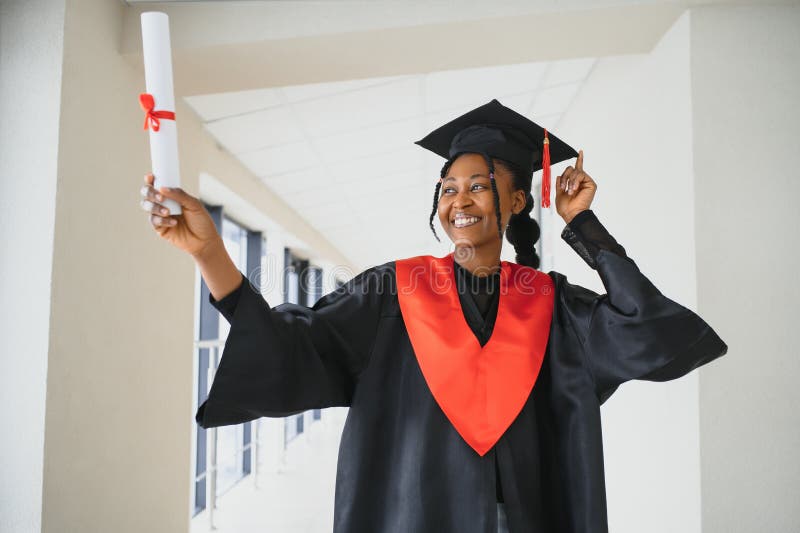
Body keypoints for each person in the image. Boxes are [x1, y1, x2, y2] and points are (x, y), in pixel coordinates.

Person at [139, 99, 727, 533]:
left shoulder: (555, 303)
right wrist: (209, 253)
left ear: (517, 201)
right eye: (448, 188)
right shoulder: (392, 291)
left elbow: (655, 333)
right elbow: (296, 345)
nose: (459, 200)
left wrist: (583, 226)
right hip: (411, 518)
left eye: (478, 185)